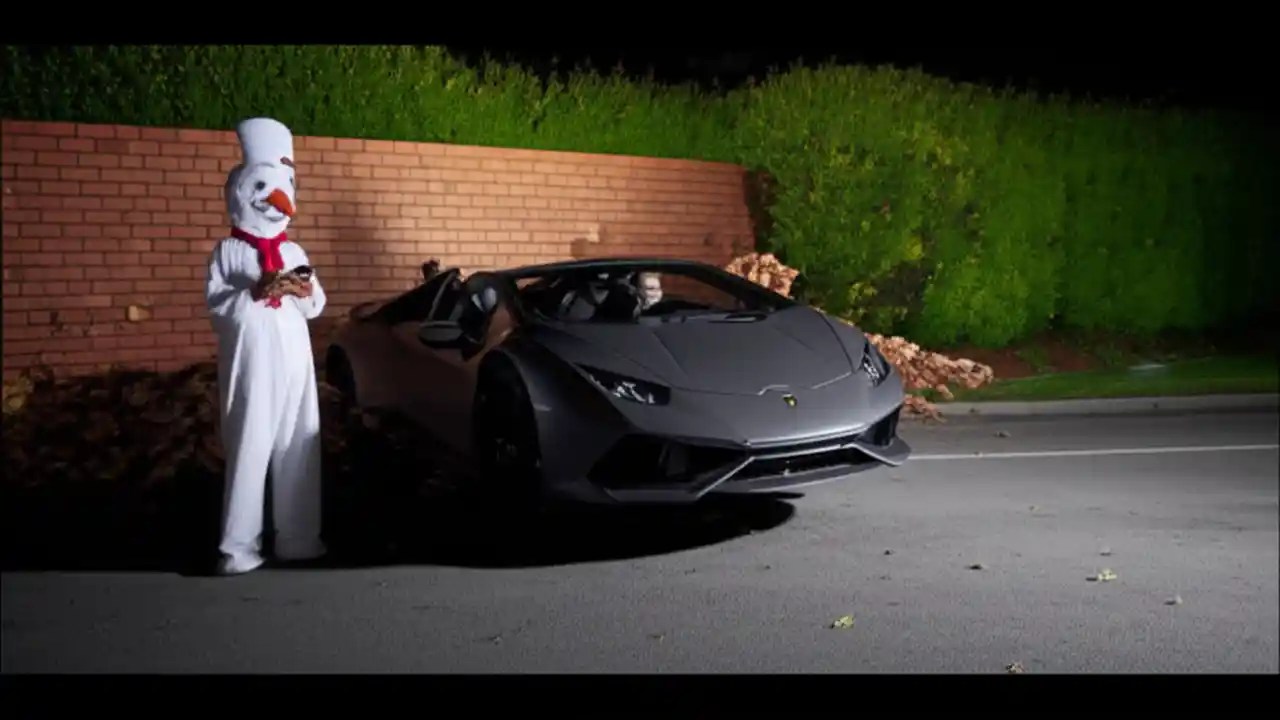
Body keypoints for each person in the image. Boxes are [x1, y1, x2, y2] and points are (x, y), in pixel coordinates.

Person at [205, 117, 328, 575]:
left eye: (284, 189)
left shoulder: (294, 253)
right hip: (252, 361)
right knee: (251, 445)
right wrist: (255, 293)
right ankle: (238, 548)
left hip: (295, 361)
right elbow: (218, 306)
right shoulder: (227, 252)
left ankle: (299, 538)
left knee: (299, 445)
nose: (279, 201)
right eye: (264, 187)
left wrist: (302, 292)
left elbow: (316, 304)